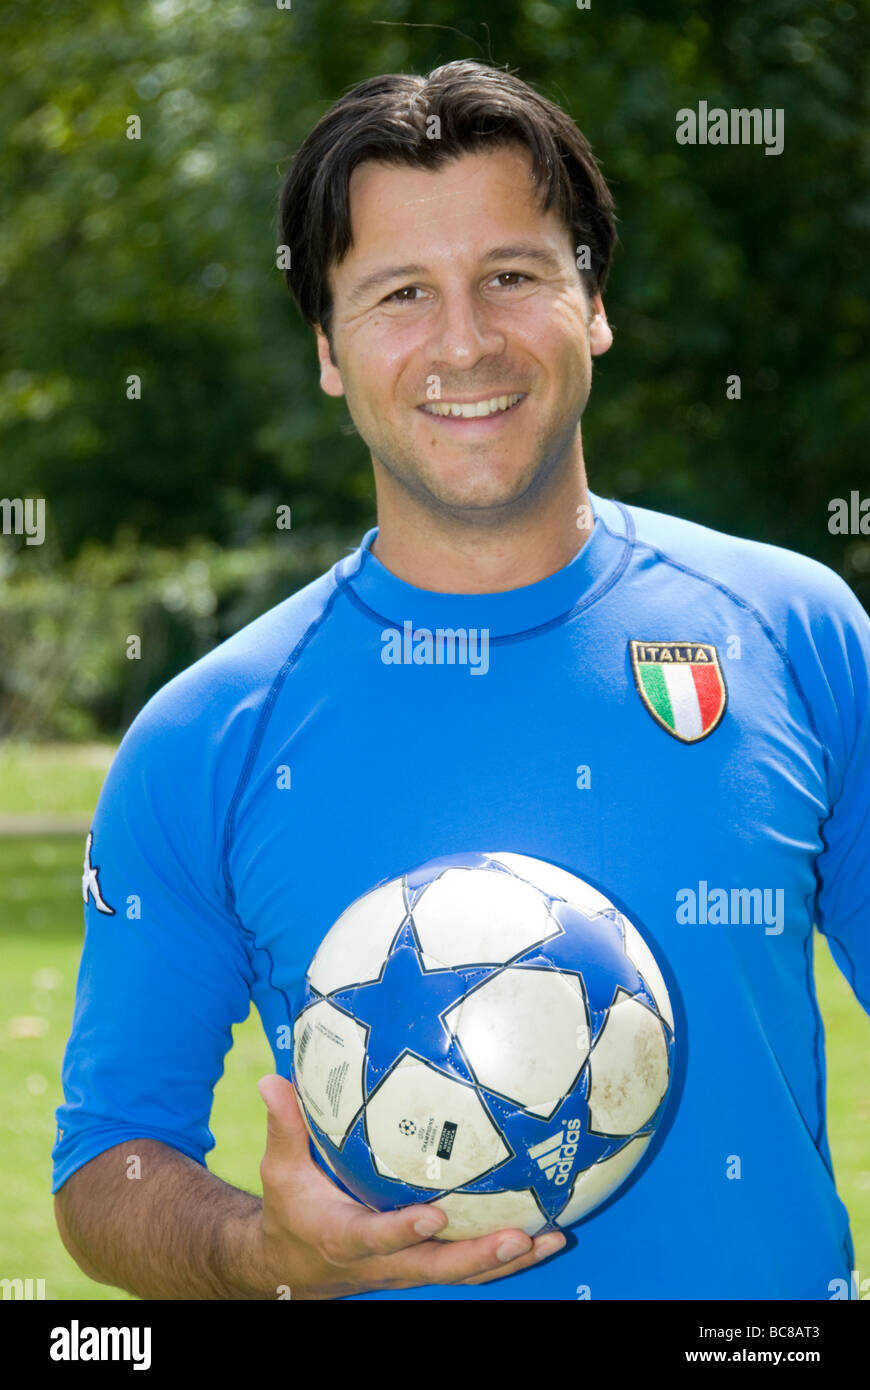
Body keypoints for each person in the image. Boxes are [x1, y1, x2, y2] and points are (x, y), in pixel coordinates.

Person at [53, 59, 869, 1301]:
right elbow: (106, 1159)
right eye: (398, 294)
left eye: (512, 275)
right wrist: (265, 1255)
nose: (465, 341)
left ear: (592, 303)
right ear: (328, 348)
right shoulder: (210, 732)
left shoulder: (797, 630)